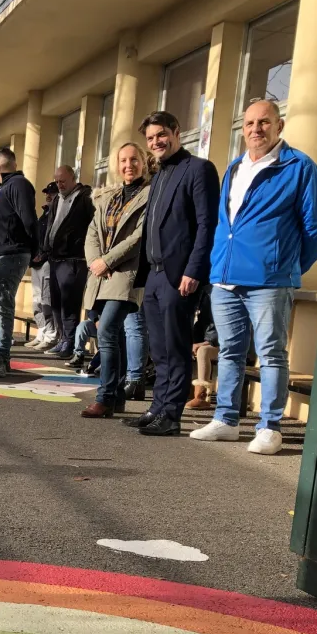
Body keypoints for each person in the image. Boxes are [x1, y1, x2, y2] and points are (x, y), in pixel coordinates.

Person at [191, 99, 317, 454]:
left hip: (269, 281)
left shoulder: (299, 167)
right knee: (230, 352)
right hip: (224, 279)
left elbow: (316, 227)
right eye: (250, 123)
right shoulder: (235, 167)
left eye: (264, 122)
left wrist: (287, 266)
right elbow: (227, 223)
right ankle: (225, 419)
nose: (256, 129)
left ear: (279, 126)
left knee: (270, 353)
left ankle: (269, 426)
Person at [125, 110, 220, 437]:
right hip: (153, 275)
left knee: (176, 346)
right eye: (150, 139)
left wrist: (194, 271)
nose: (156, 143)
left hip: (179, 275)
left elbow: (207, 225)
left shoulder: (199, 169)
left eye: (161, 135)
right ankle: (158, 408)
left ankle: (172, 415)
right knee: (160, 348)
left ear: (177, 132)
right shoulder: (161, 174)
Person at [80, 142, 151, 418]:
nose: (128, 165)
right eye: (123, 160)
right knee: (116, 335)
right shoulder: (109, 197)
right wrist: (96, 262)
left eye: (134, 160)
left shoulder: (149, 195)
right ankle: (118, 396)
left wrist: (107, 261)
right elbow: (92, 234)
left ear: (143, 162)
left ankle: (105, 396)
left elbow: (139, 238)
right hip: (101, 275)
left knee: (108, 329)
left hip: (127, 274)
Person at [0, 147, 38, 378]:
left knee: (3, 306)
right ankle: (0, 356)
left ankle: (0, 358)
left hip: (9, 254)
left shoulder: (18, 184)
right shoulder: (7, 188)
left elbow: (30, 220)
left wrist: (35, 249)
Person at [42, 165, 93, 359]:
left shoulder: (85, 198)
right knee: (56, 302)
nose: (59, 184)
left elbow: (91, 226)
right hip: (55, 258)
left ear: (73, 178)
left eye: (62, 180)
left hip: (73, 259)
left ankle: (70, 342)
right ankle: (63, 338)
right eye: (56, 181)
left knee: (69, 302)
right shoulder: (57, 200)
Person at [26, 185, 58, 350]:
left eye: (52, 194)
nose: (48, 196)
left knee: (47, 301)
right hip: (37, 262)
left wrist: (44, 255)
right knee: (36, 302)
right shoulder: (44, 214)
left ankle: (51, 335)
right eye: (47, 193)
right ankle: (42, 332)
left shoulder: (58, 213)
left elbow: (52, 240)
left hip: (47, 262)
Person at [188, 292, 219, 409]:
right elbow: (201, 324)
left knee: (203, 351)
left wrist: (206, 342)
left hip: (225, 342)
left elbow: (217, 325)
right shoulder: (204, 295)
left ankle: (201, 396)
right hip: (210, 339)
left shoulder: (212, 295)